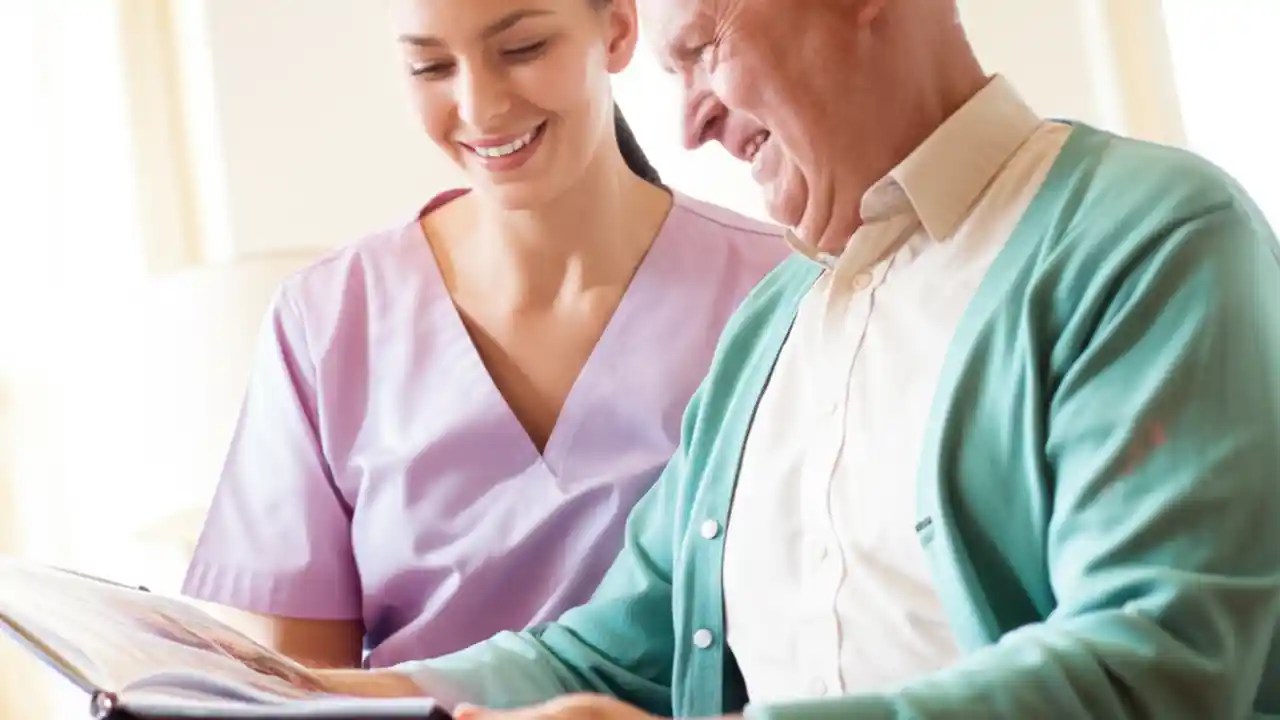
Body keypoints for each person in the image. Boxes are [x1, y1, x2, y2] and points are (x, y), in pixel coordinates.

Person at [311, 0, 1280, 717]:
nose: (684, 123)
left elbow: (1161, 668)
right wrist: (318, 699)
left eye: (701, 50)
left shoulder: (1151, 240)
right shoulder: (767, 325)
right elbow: (603, 657)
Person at [180, 0, 788, 671]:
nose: (480, 106)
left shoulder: (780, 295)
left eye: (522, 49)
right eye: (431, 66)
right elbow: (299, 693)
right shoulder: (327, 321)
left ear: (617, 29)